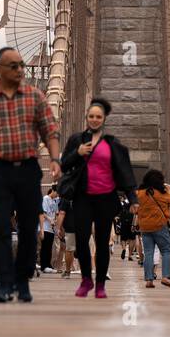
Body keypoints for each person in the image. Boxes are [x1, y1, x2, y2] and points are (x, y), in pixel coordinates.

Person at [0, 46, 61, 304]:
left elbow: (50, 132)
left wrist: (54, 159)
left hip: (28, 169)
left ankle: (22, 281)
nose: (20, 70)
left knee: (29, 228)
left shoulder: (35, 97)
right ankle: (3, 284)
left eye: (21, 65)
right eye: (14, 66)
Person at [60, 97, 137, 299]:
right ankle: (86, 280)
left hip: (105, 198)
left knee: (103, 243)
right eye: (91, 116)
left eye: (98, 117)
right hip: (83, 197)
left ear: (104, 119)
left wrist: (133, 199)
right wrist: (77, 153)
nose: (94, 119)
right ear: (87, 117)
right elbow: (64, 166)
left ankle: (101, 284)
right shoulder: (76, 140)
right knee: (82, 240)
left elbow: (125, 172)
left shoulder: (112, 144)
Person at [134, 170, 170, 287]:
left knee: (148, 253)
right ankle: (165, 277)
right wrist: (169, 190)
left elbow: (135, 208)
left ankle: (149, 279)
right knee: (166, 250)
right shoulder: (162, 192)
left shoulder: (139, 193)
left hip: (145, 227)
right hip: (159, 225)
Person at [55, 194, 77, 277]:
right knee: (84, 249)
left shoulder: (66, 197)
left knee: (69, 249)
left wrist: (58, 228)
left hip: (70, 227)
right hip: (84, 226)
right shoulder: (85, 194)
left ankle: (68, 272)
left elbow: (62, 213)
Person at [39, 186, 59, 273]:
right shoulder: (46, 198)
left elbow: (56, 213)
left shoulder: (54, 200)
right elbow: (43, 212)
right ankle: (44, 266)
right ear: (53, 191)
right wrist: (50, 219)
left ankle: (48, 265)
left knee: (49, 247)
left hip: (51, 228)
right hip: (46, 227)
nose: (58, 195)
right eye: (57, 193)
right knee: (45, 247)